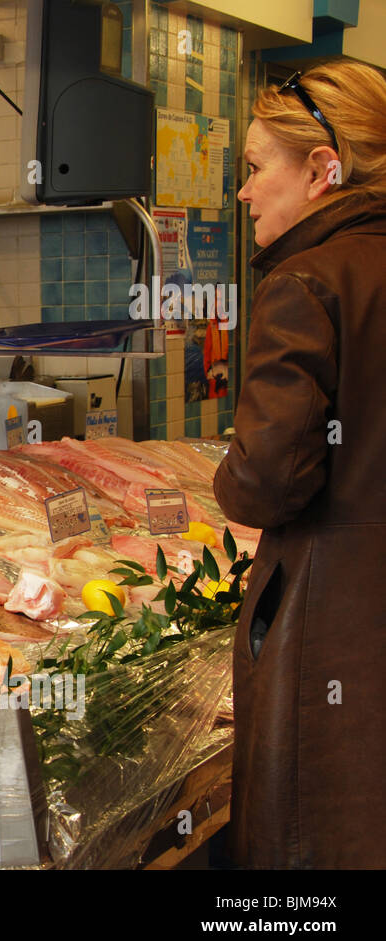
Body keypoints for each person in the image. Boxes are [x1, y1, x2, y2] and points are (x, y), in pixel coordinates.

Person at [214, 59, 386, 868]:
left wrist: (227, 471)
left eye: (253, 169)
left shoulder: (308, 280)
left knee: (310, 851)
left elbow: (265, 481)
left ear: (324, 169)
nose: (244, 193)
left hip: (339, 624)